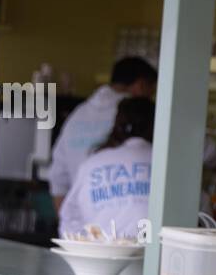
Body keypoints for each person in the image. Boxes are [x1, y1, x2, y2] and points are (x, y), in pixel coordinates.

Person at [47, 57, 157, 212]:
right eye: (152, 91)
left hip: (83, 222)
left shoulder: (78, 114)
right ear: (140, 85)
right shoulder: (133, 118)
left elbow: (58, 178)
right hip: (125, 222)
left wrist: (71, 228)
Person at [57, 97, 153, 239]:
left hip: (99, 255)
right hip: (155, 254)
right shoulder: (167, 163)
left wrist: (89, 245)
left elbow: (69, 219)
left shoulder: (93, 163)